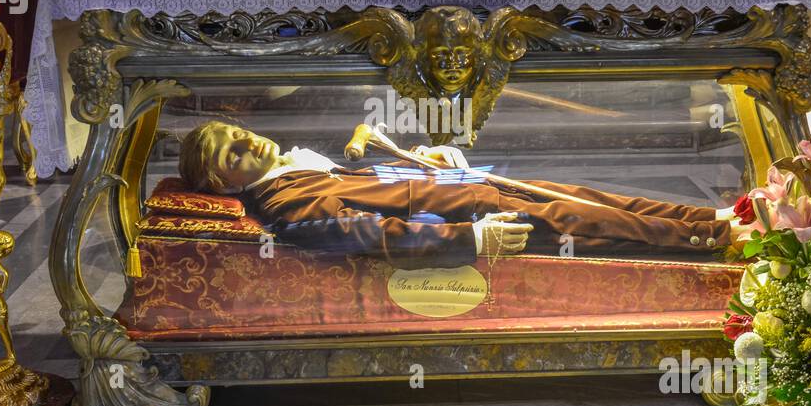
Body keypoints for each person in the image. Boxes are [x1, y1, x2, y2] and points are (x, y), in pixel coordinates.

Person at [179, 121, 740, 269]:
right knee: (585, 220)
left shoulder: (288, 167)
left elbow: (362, 186)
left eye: (234, 133)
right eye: (232, 155)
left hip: (456, 185)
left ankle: (713, 214)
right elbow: (364, 231)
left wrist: (426, 160)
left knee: (586, 195)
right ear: (224, 186)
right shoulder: (282, 203)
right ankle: (719, 238)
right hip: (463, 210)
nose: (245, 141)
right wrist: (469, 238)